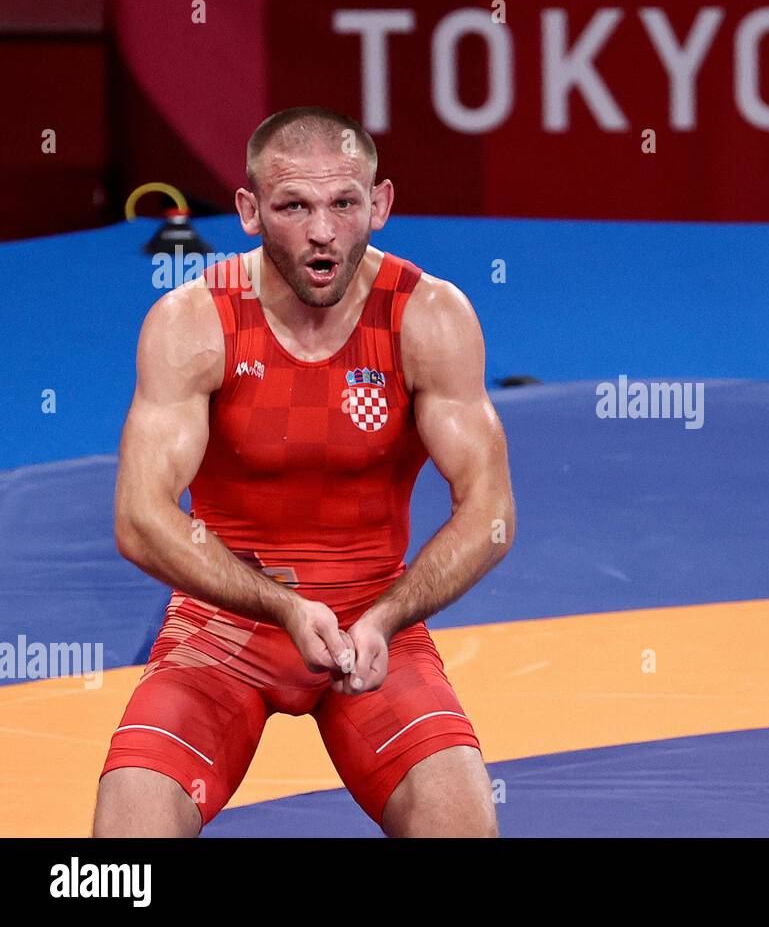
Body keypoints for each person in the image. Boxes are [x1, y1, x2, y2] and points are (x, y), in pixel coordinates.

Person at [92, 107, 514, 837]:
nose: (323, 231)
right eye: (294, 206)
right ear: (251, 213)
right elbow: (138, 517)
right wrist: (283, 607)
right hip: (222, 631)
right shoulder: (192, 322)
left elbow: (490, 513)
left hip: (374, 628)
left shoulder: (430, 318)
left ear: (379, 204)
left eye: (344, 203)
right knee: (119, 859)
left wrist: (387, 616)